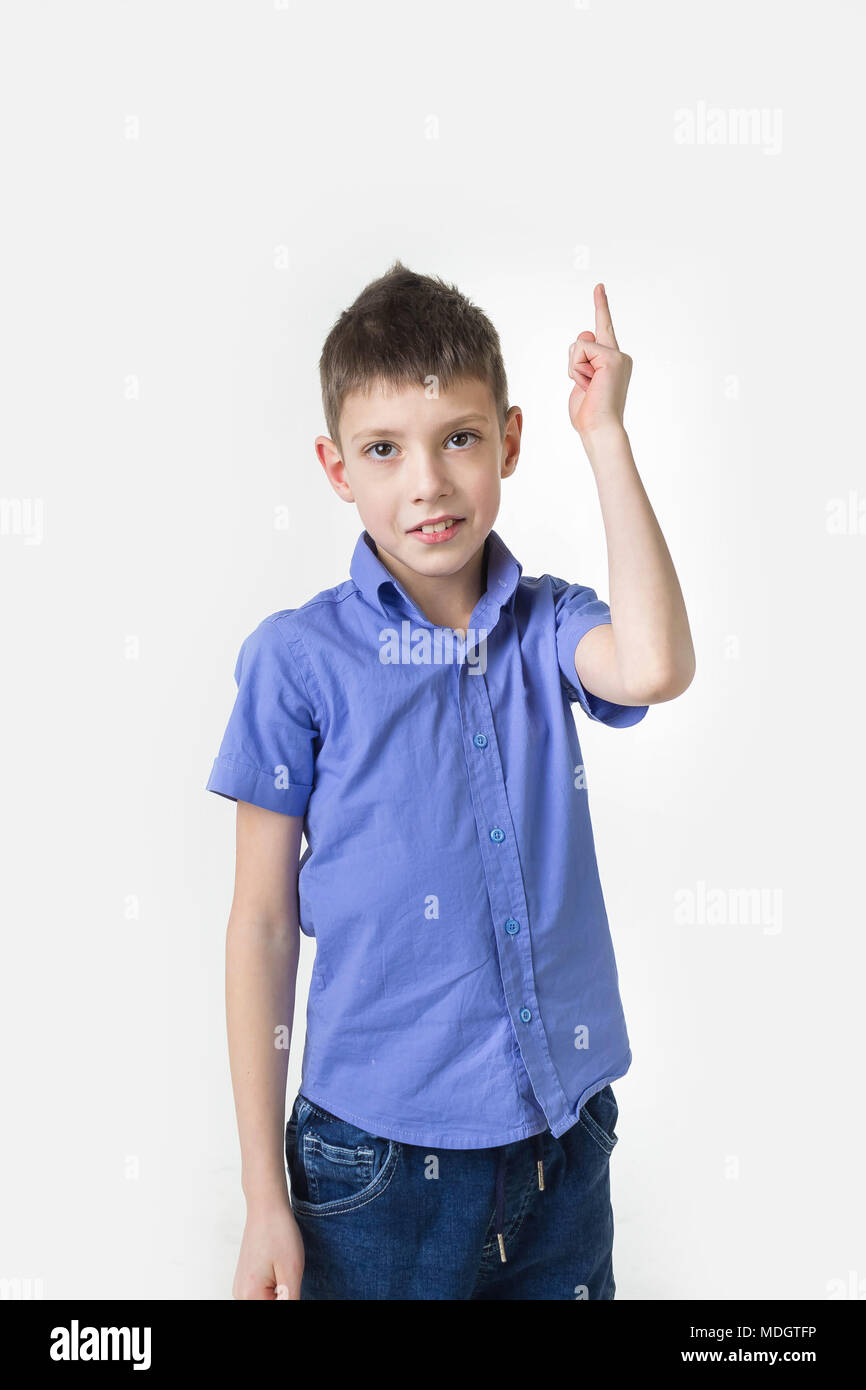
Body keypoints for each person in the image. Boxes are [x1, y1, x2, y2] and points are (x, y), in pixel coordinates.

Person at [206, 261, 695, 1300]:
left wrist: (603, 434)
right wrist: (262, 1194)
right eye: (384, 450)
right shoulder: (296, 660)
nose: (425, 481)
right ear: (337, 468)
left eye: (458, 438)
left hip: (558, 1150)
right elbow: (259, 924)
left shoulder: (547, 625)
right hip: (372, 1172)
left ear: (508, 442)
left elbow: (651, 664)